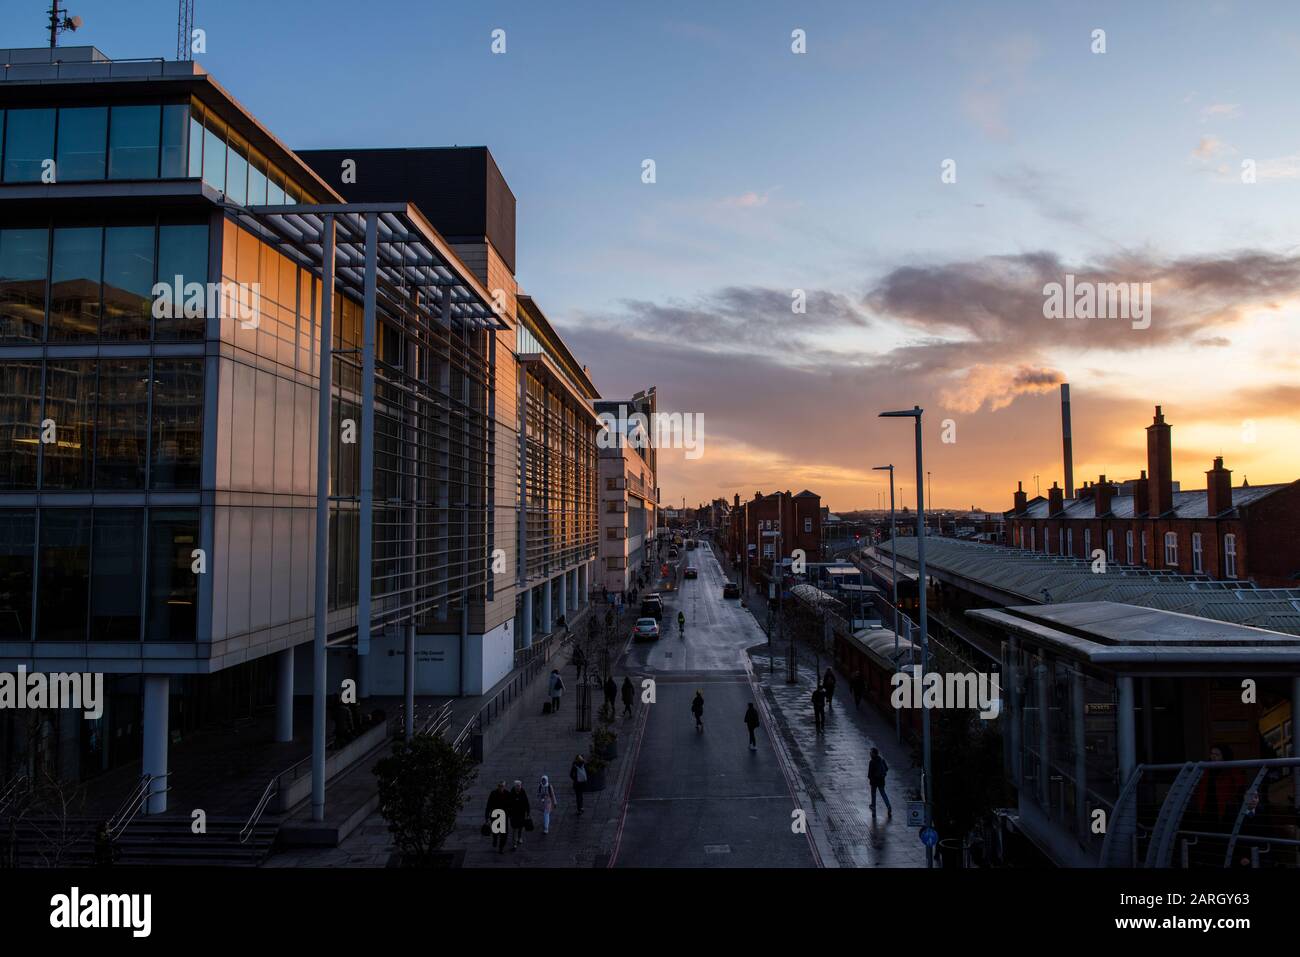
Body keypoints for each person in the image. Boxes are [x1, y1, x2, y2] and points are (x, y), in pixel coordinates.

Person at [485, 781, 510, 854]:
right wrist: (487, 818)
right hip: (495, 816)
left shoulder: (507, 794)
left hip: (503, 817)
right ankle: (495, 839)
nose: (501, 787)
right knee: (495, 832)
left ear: (504, 786)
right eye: (500, 786)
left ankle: (501, 848)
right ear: (497, 786)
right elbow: (488, 806)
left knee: (504, 834)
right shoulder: (493, 793)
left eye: (502, 786)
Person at [868, 746, 892, 816]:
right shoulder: (882, 760)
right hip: (881, 780)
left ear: (874, 754)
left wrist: (871, 779)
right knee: (883, 794)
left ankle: (874, 808)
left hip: (874, 782)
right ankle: (888, 806)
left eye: (871, 752)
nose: (870, 754)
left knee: (873, 794)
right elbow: (886, 769)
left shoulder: (872, 762)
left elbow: (869, 774)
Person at [508, 779, 531, 849]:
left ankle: (519, 837)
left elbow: (527, 803)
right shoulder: (511, 793)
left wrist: (528, 813)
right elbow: (508, 804)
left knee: (520, 827)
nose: (519, 787)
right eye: (517, 786)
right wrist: (509, 814)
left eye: (520, 786)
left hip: (521, 814)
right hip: (514, 814)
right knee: (515, 829)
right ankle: (514, 843)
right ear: (515, 786)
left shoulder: (523, 792)